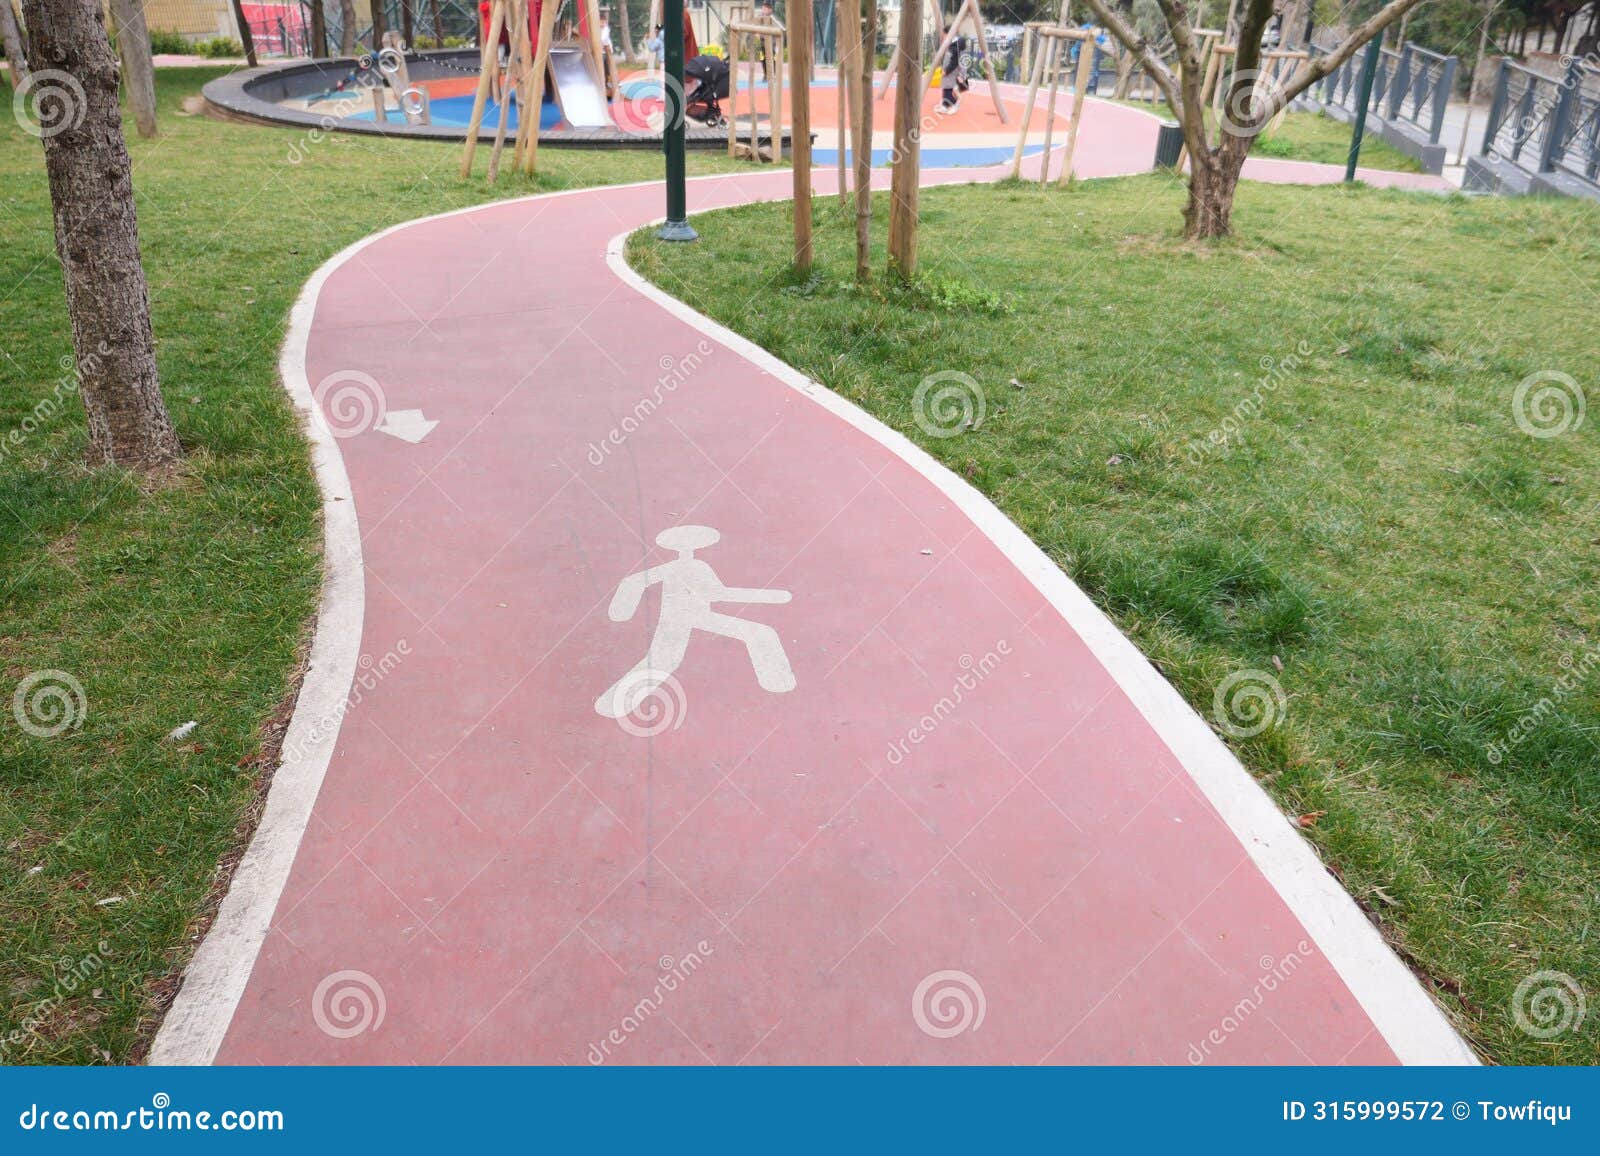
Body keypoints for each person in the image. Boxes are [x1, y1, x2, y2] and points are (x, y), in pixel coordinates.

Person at [940, 35, 966, 110]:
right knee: (951, 89)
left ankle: (951, 105)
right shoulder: (956, 51)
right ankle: (949, 104)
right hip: (955, 73)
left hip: (956, 74)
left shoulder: (957, 51)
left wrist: (961, 75)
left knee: (953, 89)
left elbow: (958, 64)